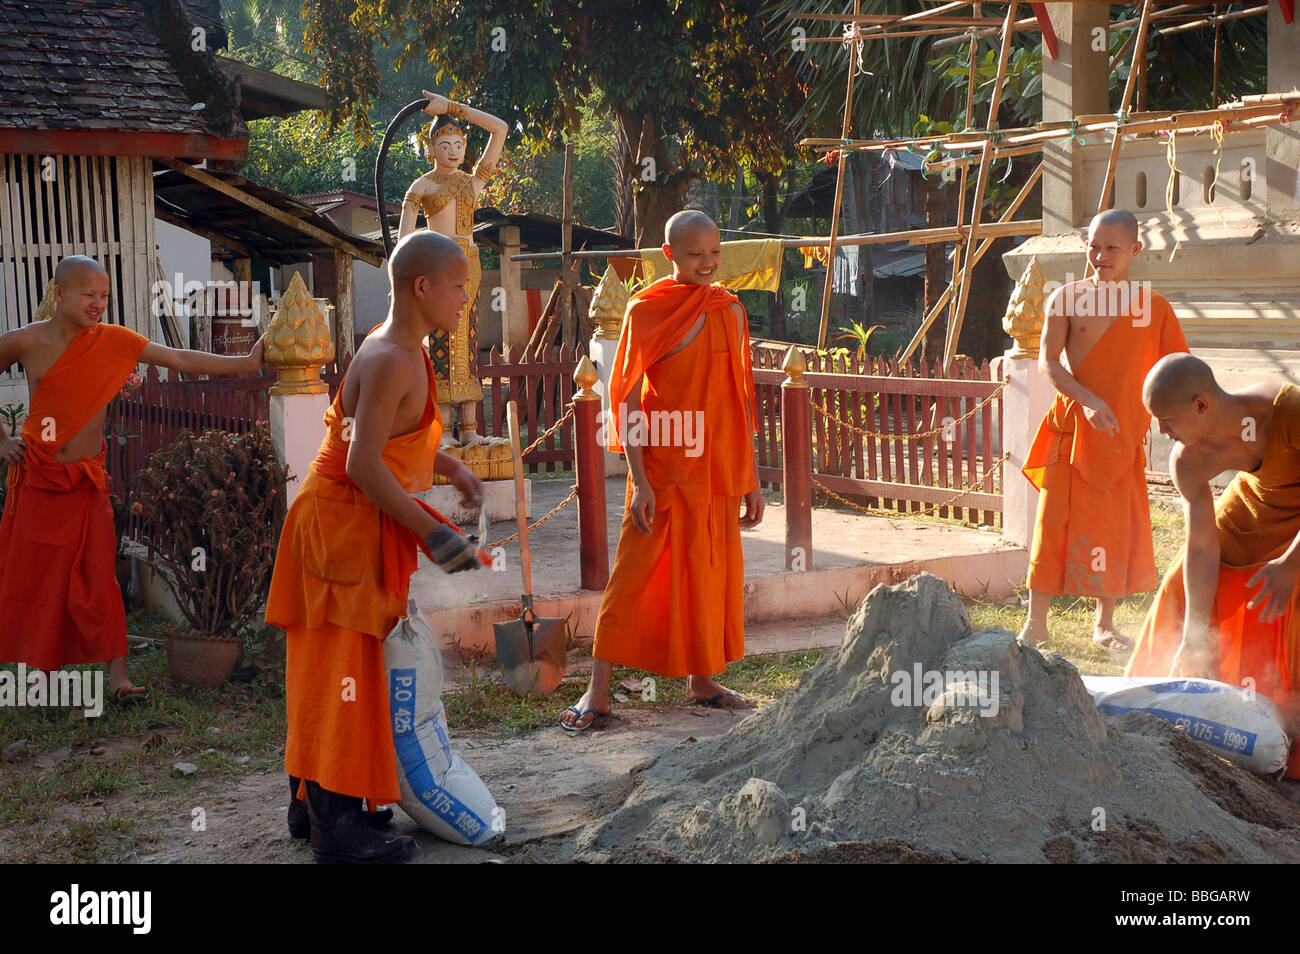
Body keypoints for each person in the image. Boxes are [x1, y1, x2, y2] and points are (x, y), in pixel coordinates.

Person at [265, 230, 487, 864]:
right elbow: (363, 464)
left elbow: (387, 439)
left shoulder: (398, 347)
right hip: (342, 523)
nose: (465, 297)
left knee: (341, 667)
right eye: (459, 284)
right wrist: (431, 530)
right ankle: (334, 828)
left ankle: (313, 805)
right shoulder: (391, 355)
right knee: (340, 669)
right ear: (422, 287)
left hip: (341, 521)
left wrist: (448, 467)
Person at [0, 255, 264, 703]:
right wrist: (1, 440)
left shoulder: (113, 341)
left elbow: (179, 357)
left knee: (101, 575)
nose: (98, 304)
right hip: (40, 479)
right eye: (89, 295)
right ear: (60, 294)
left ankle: (118, 677)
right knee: (39, 579)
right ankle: (40, 677)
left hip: (86, 483)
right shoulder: (24, 341)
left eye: (104, 296)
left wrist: (246, 361)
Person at [559, 210, 764, 732]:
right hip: (664, 467)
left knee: (707, 572)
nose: (708, 263)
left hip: (716, 470)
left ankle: (701, 680)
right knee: (632, 575)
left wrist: (752, 478)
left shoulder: (730, 309)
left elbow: (739, 398)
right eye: (695, 254)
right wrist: (640, 481)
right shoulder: (646, 310)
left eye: (715, 252)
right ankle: (596, 691)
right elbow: (622, 393)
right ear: (669, 254)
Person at [1018, 210, 1188, 651]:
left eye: (1112, 247)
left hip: (1121, 433)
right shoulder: (1067, 299)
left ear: (1134, 250)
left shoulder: (1153, 307)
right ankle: (1036, 621)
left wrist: (1176, 418)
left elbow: (1177, 370)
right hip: (1074, 427)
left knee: (1112, 527)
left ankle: (1104, 624)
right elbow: (1049, 363)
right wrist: (1089, 401)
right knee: (1054, 522)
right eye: (1093, 246)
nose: (1100, 255)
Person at [1127, 354, 1300, 770]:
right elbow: (1203, 548)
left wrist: (1291, 565)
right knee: (1180, 587)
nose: (1160, 431)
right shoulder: (1187, 460)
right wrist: (1194, 634)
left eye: (1166, 419)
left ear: (1201, 405)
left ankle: (1287, 737)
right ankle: (1164, 725)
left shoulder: (1287, 411)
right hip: (1245, 523)